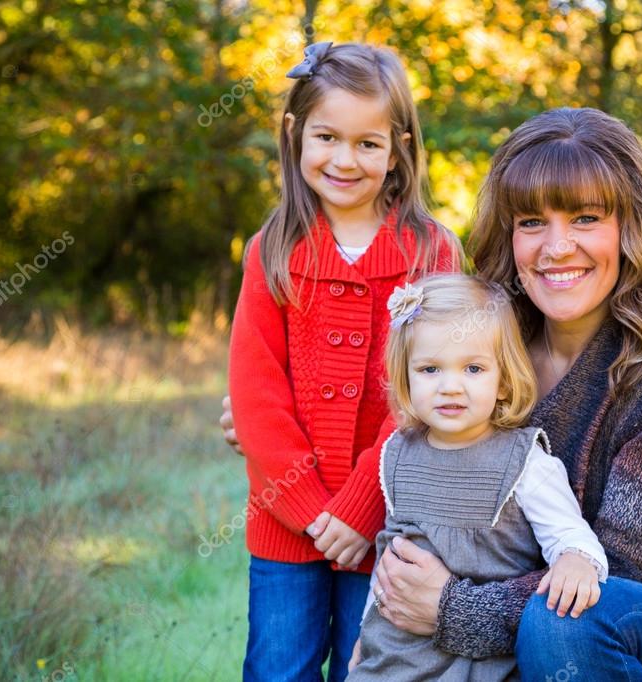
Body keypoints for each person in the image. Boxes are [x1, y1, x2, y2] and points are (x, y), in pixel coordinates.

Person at [222, 106, 642, 681]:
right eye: (531, 222)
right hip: (534, 644)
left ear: (631, 230)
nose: (556, 246)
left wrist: (450, 607)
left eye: (587, 218)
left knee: (566, 619)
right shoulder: (481, 353)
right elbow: (401, 408)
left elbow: (619, 576)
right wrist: (262, 420)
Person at [228, 41, 458, 682]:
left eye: (368, 143)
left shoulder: (430, 253)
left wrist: (360, 509)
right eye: (328, 136)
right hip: (285, 530)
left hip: (389, 528)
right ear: (296, 134)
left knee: (374, 671)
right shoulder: (271, 250)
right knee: (278, 668)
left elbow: (422, 394)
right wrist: (307, 509)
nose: (345, 159)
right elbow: (256, 392)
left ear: (399, 148)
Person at [346, 275, 609, 681]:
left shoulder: (525, 462)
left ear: (503, 381)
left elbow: (569, 536)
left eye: (473, 368)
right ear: (406, 378)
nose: (451, 386)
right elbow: (391, 558)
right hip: (392, 660)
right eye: (430, 369)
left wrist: (576, 559)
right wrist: (365, 633)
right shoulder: (397, 453)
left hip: (479, 663)